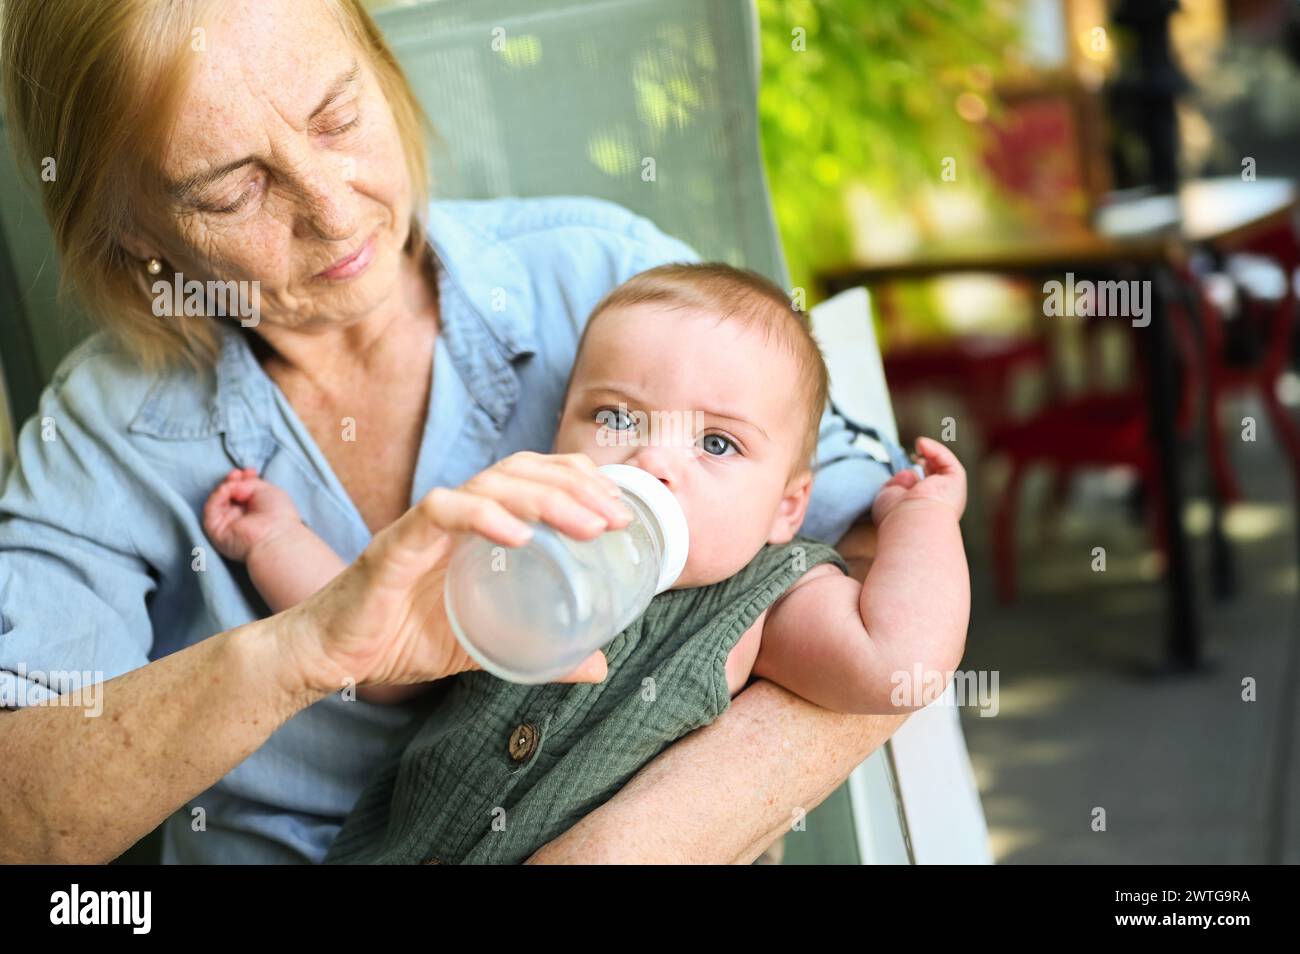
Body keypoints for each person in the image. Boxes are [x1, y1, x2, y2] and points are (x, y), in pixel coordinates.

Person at [0, 0, 941, 864]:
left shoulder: (605, 284)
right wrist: (303, 650)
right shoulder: (108, 433)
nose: (336, 212)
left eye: (337, 116)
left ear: (383, 69)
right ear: (133, 236)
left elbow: (878, 559)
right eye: (231, 190)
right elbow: (19, 812)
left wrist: (618, 849)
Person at [202, 262, 970, 864]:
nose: (652, 458)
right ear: (558, 432)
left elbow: (893, 658)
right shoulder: (513, 550)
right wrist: (277, 541)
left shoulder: (764, 606)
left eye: (716, 443)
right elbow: (375, 652)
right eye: (616, 417)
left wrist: (924, 522)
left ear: (785, 508)